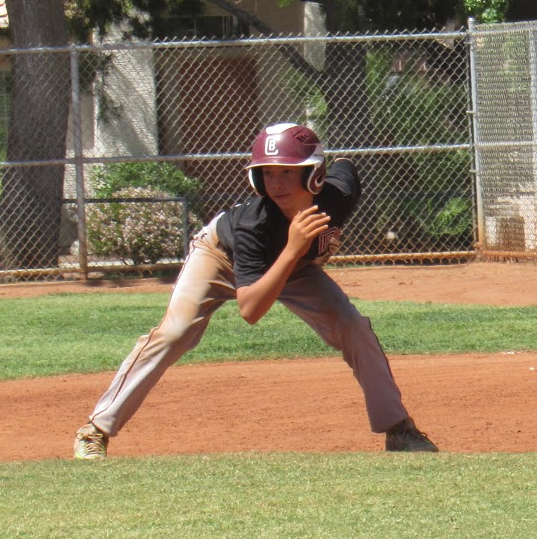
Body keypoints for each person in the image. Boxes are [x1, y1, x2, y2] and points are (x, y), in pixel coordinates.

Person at [72, 123, 438, 457]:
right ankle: (95, 430)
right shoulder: (254, 224)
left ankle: (398, 430)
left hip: (294, 268)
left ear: (314, 177)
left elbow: (345, 166)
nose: (276, 183)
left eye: (286, 173)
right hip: (221, 255)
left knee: (352, 325)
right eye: (267, 173)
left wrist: (306, 248)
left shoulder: (337, 196)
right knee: (176, 332)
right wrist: (294, 248)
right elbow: (250, 310)